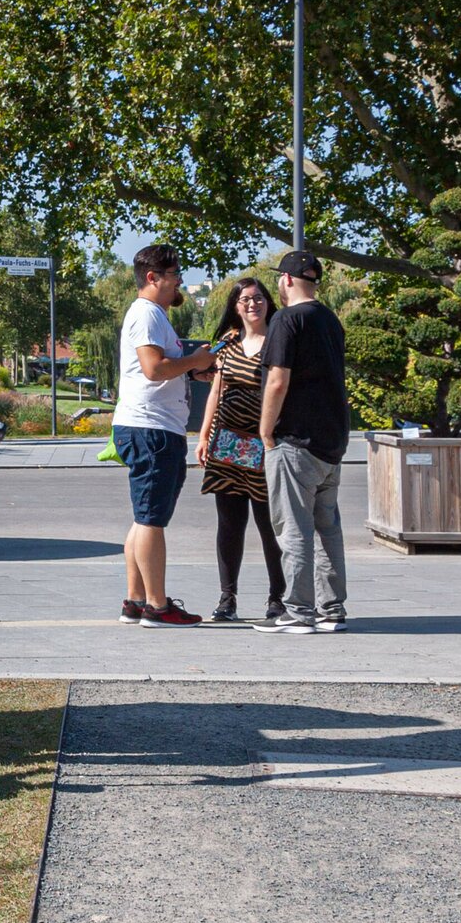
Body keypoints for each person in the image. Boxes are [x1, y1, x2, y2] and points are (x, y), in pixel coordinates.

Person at [112, 244, 220, 627]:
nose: (179, 282)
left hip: (150, 425)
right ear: (153, 278)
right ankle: (157, 607)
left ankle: (135, 601)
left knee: (144, 518)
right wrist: (197, 361)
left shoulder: (153, 315)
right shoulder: (146, 314)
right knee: (151, 518)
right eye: (174, 275)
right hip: (151, 428)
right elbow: (154, 369)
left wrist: (192, 371)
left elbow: (160, 369)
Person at [255, 249, 351, 635]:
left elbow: (278, 379)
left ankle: (298, 612)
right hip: (331, 440)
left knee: (292, 528)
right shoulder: (330, 320)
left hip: (295, 439)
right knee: (327, 528)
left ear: (288, 280)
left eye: (279, 278)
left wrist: (265, 430)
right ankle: (332, 610)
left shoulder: (286, 319)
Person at [196, 277, 286, 622]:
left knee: (269, 525)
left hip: (264, 445)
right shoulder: (227, 345)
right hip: (227, 446)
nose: (253, 304)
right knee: (229, 525)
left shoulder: (278, 341)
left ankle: (277, 597)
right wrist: (204, 436)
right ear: (235, 306)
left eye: (259, 298)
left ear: (268, 302)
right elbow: (215, 393)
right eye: (246, 299)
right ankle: (227, 598)